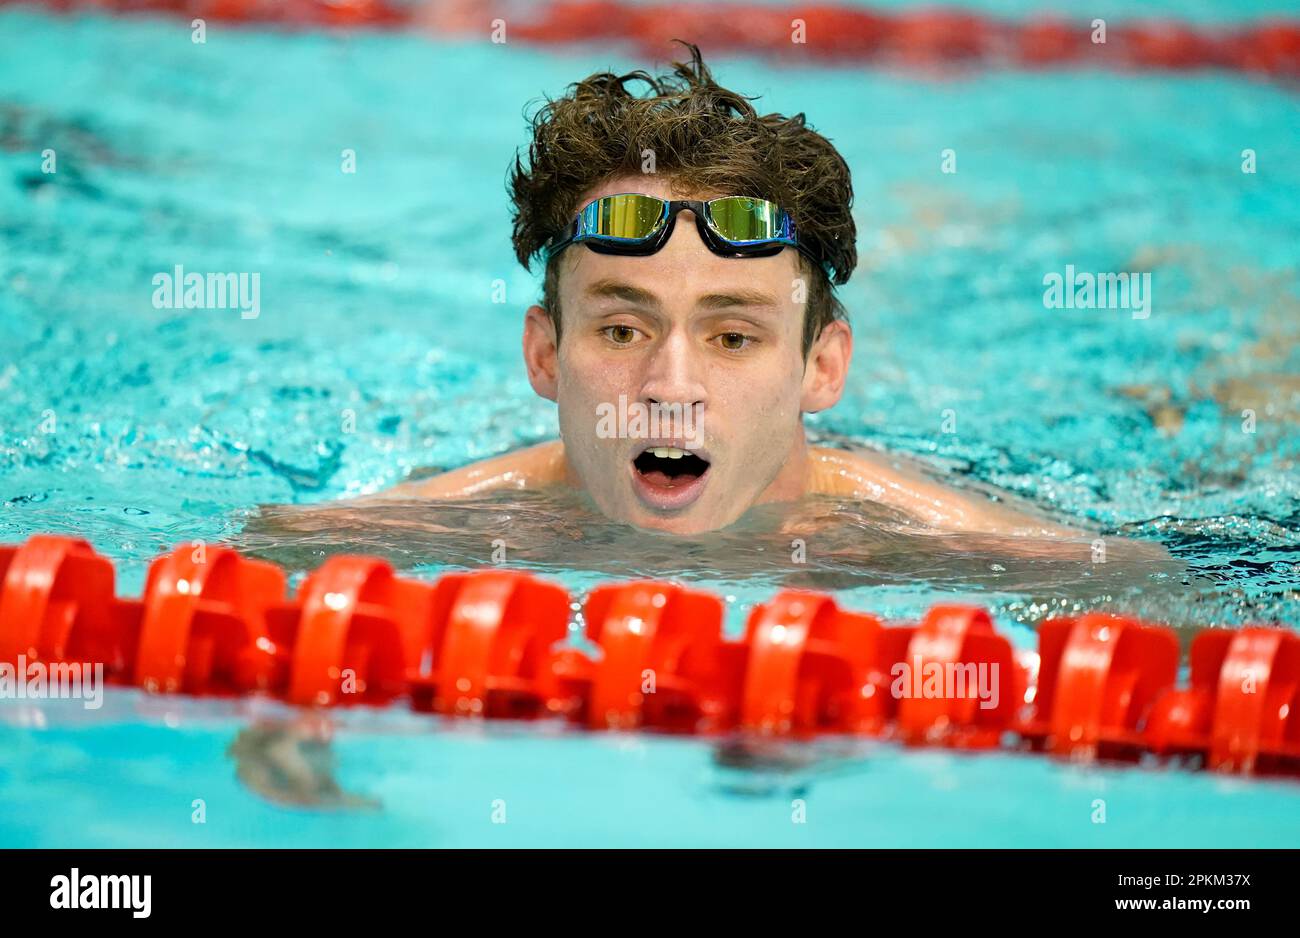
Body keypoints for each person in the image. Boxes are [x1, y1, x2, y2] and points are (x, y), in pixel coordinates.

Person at [356, 43, 1081, 540]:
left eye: (732, 337)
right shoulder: (415, 530)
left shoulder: (967, 544)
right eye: (621, 330)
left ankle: (940, 225)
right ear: (543, 356)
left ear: (822, 370)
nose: (672, 390)